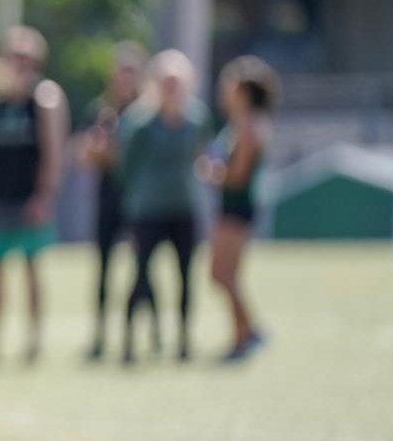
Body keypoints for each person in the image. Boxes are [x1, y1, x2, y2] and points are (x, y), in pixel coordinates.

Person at [0, 26, 67, 366]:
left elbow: (53, 151)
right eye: (13, 57)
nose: (19, 65)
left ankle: (34, 341)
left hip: (28, 196)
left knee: (32, 267)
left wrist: (45, 195)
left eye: (26, 58)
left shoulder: (45, 99)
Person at [98, 49, 209, 365]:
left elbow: (205, 152)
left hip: (183, 206)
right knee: (141, 273)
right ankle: (129, 342)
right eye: (166, 81)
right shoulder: (140, 122)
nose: (171, 87)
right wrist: (134, 200)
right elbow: (124, 166)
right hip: (147, 210)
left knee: (186, 276)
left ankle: (184, 340)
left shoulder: (196, 118)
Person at [76, 42, 155, 361]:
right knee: (105, 268)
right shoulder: (100, 110)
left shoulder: (148, 114)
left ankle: (150, 331)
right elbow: (83, 154)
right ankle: (100, 334)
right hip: (109, 197)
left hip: (142, 201)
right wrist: (97, 149)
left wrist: (113, 153)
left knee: (143, 268)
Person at [206, 55, 276, 362]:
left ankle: (247, 332)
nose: (223, 90)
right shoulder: (237, 123)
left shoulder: (248, 126)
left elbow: (238, 175)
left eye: (229, 85)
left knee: (222, 274)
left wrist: (212, 172)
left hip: (237, 207)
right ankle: (246, 332)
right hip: (230, 206)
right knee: (223, 274)